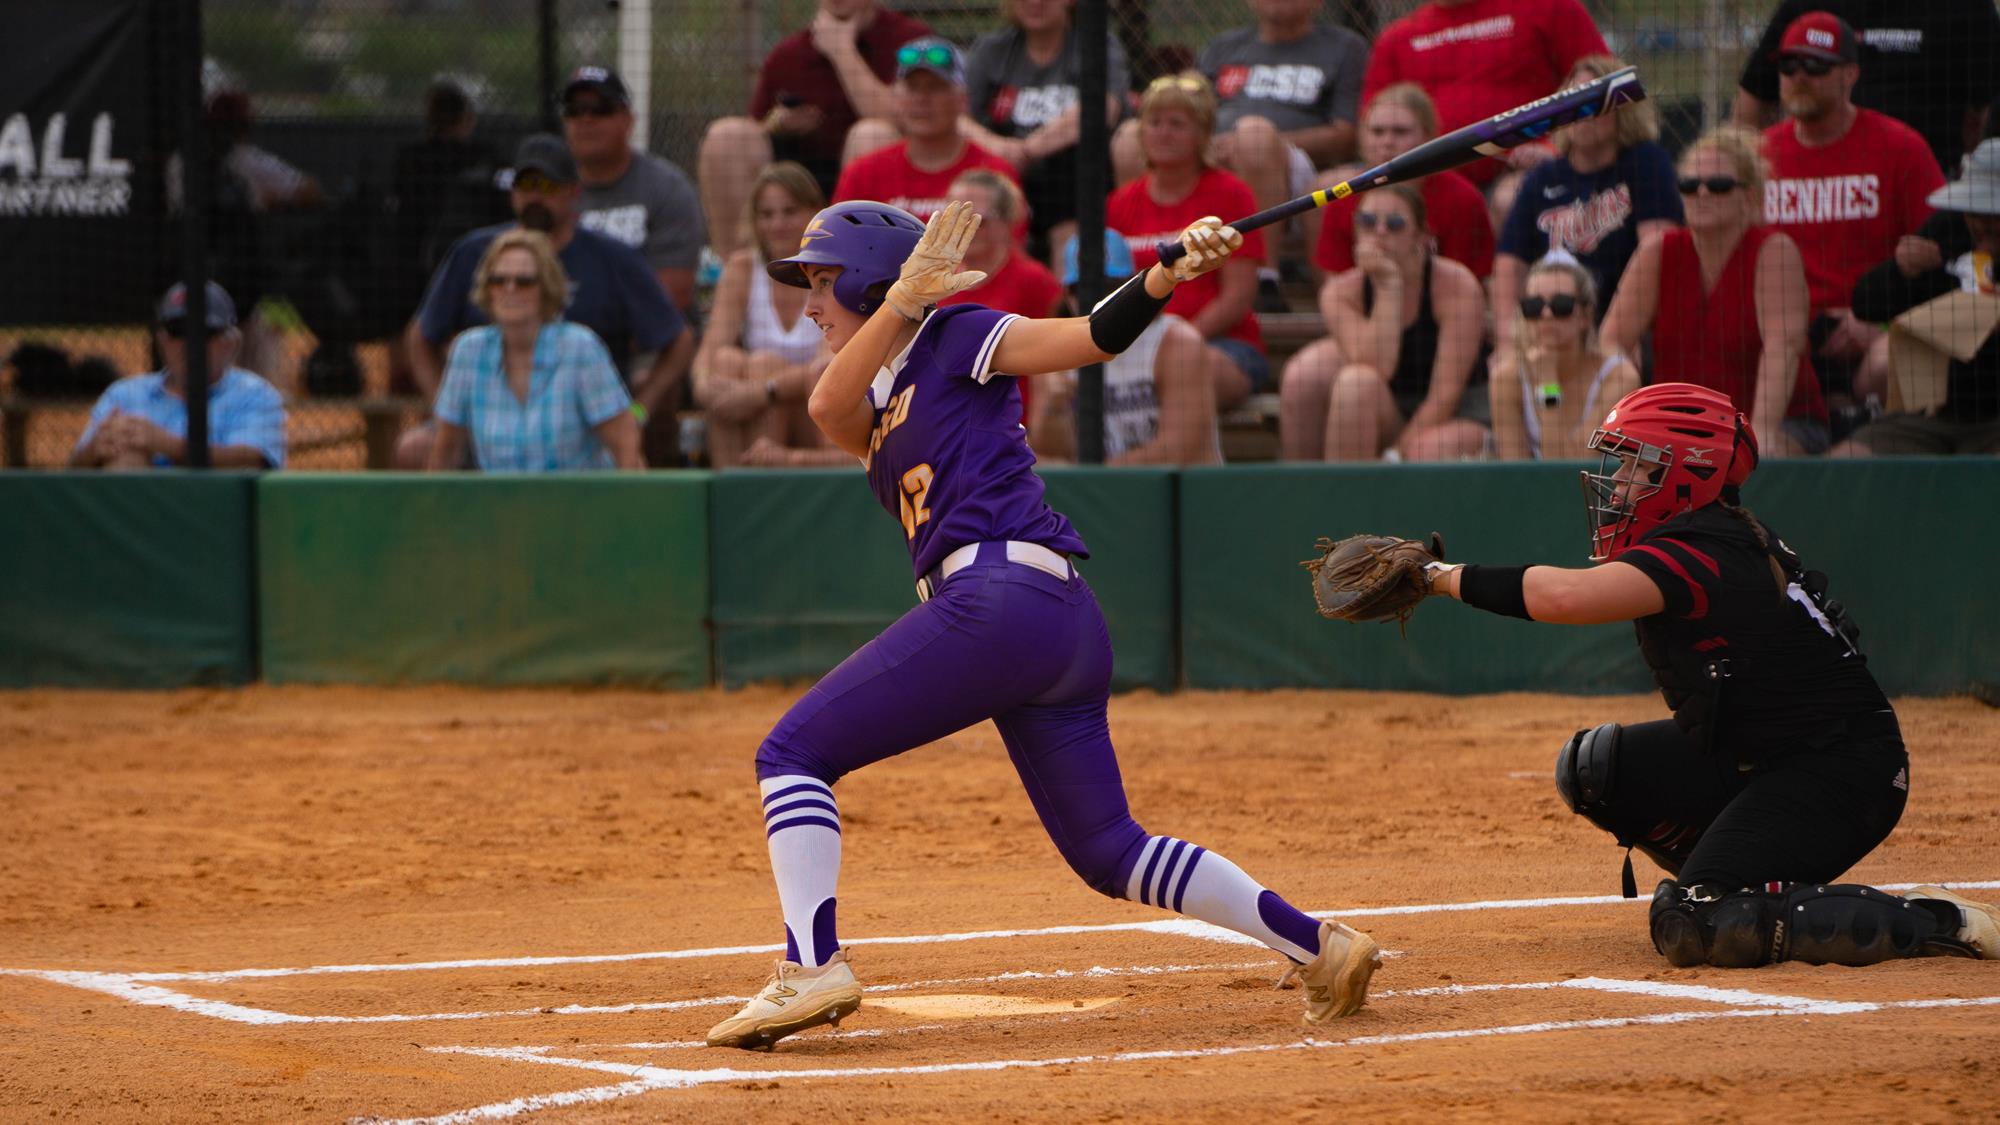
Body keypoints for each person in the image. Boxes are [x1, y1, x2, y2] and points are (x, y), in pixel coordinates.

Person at [702, 199, 1381, 1050]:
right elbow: (826, 404)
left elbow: (1094, 336)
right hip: (1043, 620)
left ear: (877, 279)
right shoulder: (869, 397)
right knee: (1108, 851)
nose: (809, 304)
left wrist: (1166, 273)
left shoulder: (960, 337)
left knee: (791, 753)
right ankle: (1320, 945)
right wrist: (897, 302)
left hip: (1001, 601)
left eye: (826, 282)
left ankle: (812, 964)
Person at [1385, 381, 2000, 968]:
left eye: (1637, 467)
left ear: (1686, 472)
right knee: (1596, 768)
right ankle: (1744, 875)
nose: (1619, 483)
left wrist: (1438, 577)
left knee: (1695, 923)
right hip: (1759, 754)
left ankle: (1934, 922)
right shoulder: (1704, 535)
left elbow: (1565, 598)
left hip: (1843, 772)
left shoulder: (1705, 550)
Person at [398, 134, 690, 469]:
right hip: (490, 435)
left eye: (548, 187)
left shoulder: (603, 283)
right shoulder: (471, 264)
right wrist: (450, 409)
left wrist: (639, 408)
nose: (510, 289)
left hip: (588, 431)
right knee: (415, 447)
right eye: (526, 185)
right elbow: (420, 336)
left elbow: (677, 340)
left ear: (573, 192)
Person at [1757, 12, 1944, 413]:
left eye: (1816, 65)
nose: (1799, 76)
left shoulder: (1901, 148)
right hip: (1785, 340)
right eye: (1789, 66)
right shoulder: (1757, 158)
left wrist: (1879, 324)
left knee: (1891, 359)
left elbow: (1941, 255)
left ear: (1851, 74)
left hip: (1873, 335)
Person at [1601, 126, 1826, 457]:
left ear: (1749, 196)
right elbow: (1610, 341)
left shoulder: (1773, 252)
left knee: (1738, 464)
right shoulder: (1658, 252)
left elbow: (1783, 348)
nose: (1702, 194)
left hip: (1779, 425)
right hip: (1676, 429)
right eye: (1690, 186)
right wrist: (1634, 407)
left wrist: (1759, 432)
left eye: (1718, 185)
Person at [696, 0, 934, 258]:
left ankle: (862, 273)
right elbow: (755, 130)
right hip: (797, 181)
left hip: (875, 183)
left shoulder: (909, 41)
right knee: (726, 137)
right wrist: (779, 125)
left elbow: (909, 120)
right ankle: (740, 273)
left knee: (871, 134)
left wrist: (842, 51)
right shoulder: (789, 54)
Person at [1278, 184, 1488, 462]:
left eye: (1395, 224)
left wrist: (1394, 456)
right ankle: (1328, 496)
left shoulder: (1456, 286)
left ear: (1421, 236)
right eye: (1367, 222)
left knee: (1424, 451)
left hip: (1458, 411)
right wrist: (1389, 285)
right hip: (1389, 407)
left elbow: (1446, 394)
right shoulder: (1341, 293)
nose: (1379, 232)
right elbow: (1378, 365)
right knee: (1353, 383)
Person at [1491, 55, 1681, 351]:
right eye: (1573, 102)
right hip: (1555, 330)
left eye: (1593, 102)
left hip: (1625, 330)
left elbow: (1658, 249)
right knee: (1540, 387)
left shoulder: (1646, 162)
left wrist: (1618, 335)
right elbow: (1509, 265)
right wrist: (1508, 342)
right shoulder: (1544, 177)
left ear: (1622, 109)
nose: (1582, 113)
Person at [1182, 0, 1369, 297]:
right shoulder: (1223, 48)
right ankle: (1148, 277)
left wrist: (1266, 143)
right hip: (1214, 161)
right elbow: (1189, 111)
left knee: (1254, 137)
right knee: (1134, 139)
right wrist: (1207, 145)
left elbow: (1345, 134)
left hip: (1298, 176)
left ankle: (1264, 280)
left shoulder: (1344, 47)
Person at [1106, 73, 1267, 411]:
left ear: (1201, 134)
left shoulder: (1230, 194)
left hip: (1223, 345)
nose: (1163, 133)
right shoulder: (1119, 204)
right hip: (1137, 346)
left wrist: (1175, 343)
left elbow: (1238, 296)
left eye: (1177, 124)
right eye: (1154, 122)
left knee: (1179, 369)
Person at [426, 230, 643, 472]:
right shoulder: (468, 351)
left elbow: (626, 443)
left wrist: (629, 506)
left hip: (578, 504)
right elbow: (446, 450)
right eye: (498, 280)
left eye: (524, 282)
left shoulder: (580, 347)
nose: (510, 289)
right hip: (501, 505)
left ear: (547, 288)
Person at [1836, 138, 2000, 454]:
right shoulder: (1950, 229)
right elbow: (1865, 303)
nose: (1983, 224)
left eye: (1993, 213)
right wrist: (1901, 270)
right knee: (1846, 462)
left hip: (1995, 424)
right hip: (1929, 416)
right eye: (1975, 210)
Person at [1360, 0, 1608, 190]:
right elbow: (1369, 121)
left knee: (1511, 196)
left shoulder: (1548, 7)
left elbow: (1603, 90)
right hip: (1427, 184)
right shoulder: (1396, 38)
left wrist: (1555, 148)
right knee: (1334, 184)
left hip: (1523, 171)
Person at [1734, 0, 2000, 176]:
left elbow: (1985, 108)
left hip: (1928, 176)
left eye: (1816, 65)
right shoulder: (1806, 4)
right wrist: (1753, 172)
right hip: (1821, 177)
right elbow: (1753, 98)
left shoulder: (1966, 6)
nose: (1800, 72)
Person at [1028, 229, 1223, 465]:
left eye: (1111, 286)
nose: (1100, 299)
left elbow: (1178, 450)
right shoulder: (1051, 350)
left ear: (1135, 287)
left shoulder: (1176, 341)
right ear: (1068, 294)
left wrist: (1094, 479)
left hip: (1175, 494)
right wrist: (1054, 410)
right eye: (1084, 289)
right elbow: (1051, 452)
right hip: (1094, 493)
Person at [692, 162, 838, 469]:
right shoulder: (742, 268)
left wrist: (763, 391)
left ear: (814, 213)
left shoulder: (832, 273)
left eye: (789, 212)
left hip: (813, 409)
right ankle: (731, 482)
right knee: (726, 361)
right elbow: (707, 355)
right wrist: (711, 390)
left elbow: (826, 367)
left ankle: (759, 483)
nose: (778, 224)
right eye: (767, 215)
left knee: (763, 364)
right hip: (752, 405)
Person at [961, 0, 1129, 261]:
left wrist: (1029, 149)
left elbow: (1104, 106)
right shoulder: (993, 49)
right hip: (1000, 168)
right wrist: (1000, 148)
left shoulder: (1095, 43)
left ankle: (1066, 293)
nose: (1035, 3)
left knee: (1069, 171)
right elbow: (958, 115)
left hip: (1069, 177)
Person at [70, 282, 286, 470]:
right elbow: (74, 469)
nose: (189, 344)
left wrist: (168, 446)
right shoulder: (125, 394)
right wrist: (94, 449)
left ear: (231, 342)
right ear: (162, 340)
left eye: (204, 332)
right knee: (126, 458)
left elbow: (253, 459)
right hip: (141, 506)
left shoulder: (253, 394)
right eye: (178, 332)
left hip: (218, 510)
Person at [1311, 84, 1494, 284]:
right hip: (1364, 308)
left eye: (1400, 132)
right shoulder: (1343, 196)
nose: (1387, 141)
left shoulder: (1462, 199)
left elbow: (1468, 286)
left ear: (1429, 136)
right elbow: (1335, 286)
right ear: (1362, 137)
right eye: (1377, 132)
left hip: (1441, 307)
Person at [560, 66, 705, 312]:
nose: (586, 119)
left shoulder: (667, 188)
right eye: (575, 111)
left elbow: (674, 294)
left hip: (645, 335)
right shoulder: (552, 190)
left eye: (601, 109)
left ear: (628, 120)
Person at [832, 38, 1020, 226]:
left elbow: (1009, 250)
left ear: (962, 98)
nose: (922, 99)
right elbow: (838, 243)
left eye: (935, 87)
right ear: (896, 98)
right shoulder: (863, 174)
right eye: (912, 87)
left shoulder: (995, 173)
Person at [1487, 252, 1637, 460]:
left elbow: (1569, 467)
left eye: (1561, 305)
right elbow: (1516, 474)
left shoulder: (1619, 376)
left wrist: (1548, 384)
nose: (1546, 315)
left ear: (1585, 316)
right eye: (1534, 306)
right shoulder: (1505, 379)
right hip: (1533, 490)